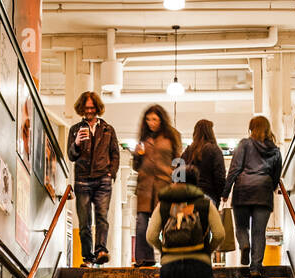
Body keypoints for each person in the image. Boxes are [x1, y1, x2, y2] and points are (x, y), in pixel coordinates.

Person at [222, 114, 282, 278]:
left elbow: (234, 169)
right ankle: (255, 267)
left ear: (251, 129)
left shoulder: (245, 144)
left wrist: (226, 192)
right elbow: (276, 175)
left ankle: (244, 245)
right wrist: (272, 187)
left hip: (243, 191)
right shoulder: (275, 150)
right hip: (263, 193)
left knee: (241, 227)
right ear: (268, 129)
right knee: (259, 232)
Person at [66, 91, 120, 266]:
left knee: (102, 217)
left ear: (97, 108)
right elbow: (71, 155)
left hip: (103, 178)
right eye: (86, 108)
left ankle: (101, 251)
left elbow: (115, 154)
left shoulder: (108, 129)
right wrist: (77, 143)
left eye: (92, 107)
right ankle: (88, 258)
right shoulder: (75, 130)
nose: (89, 111)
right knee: (84, 223)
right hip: (82, 180)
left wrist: (111, 172)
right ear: (82, 108)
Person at [131, 104, 182, 268]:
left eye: (154, 119)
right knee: (141, 225)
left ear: (161, 119)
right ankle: (144, 259)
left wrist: (179, 183)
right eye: (148, 119)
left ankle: (170, 258)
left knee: (167, 225)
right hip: (145, 189)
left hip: (165, 186)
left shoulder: (172, 136)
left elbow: (178, 160)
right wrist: (137, 155)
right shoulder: (144, 139)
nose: (151, 122)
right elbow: (135, 166)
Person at [181, 119, 225, 207]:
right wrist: (219, 196)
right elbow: (220, 177)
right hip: (207, 195)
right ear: (210, 132)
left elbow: (179, 174)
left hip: (188, 196)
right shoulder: (215, 150)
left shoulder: (187, 151)